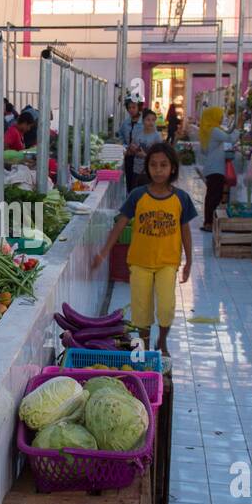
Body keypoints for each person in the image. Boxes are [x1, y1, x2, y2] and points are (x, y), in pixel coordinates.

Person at [91, 143, 196, 355]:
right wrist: (104, 252)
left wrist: (189, 262)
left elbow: (186, 232)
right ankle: (145, 345)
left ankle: (163, 341)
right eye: (154, 165)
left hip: (168, 262)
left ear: (172, 168)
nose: (158, 170)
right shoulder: (138, 195)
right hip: (140, 262)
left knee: (166, 307)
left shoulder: (181, 198)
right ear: (147, 168)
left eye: (163, 165)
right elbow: (120, 224)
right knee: (141, 310)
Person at [197, 104, 233, 233]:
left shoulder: (205, 130)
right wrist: (238, 127)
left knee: (210, 196)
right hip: (216, 168)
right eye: (219, 115)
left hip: (210, 167)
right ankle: (209, 223)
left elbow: (204, 150)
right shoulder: (214, 131)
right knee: (215, 197)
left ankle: (208, 222)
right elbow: (230, 138)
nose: (221, 117)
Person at [129, 108, 162, 187]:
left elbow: (160, 156)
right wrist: (133, 148)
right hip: (136, 169)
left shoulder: (157, 136)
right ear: (143, 121)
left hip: (150, 171)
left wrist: (145, 156)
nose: (151, 122)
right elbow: (132, 145)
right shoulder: (138, 133)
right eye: (148, 120)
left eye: (153, 120)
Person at [118, 99, 142, 189]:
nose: (131, 110)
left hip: (141, 158)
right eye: (129, 108)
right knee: (129, 181)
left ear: (138, 107)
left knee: (139, 182)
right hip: (129, 156)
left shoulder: (145, 122)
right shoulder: (125, 123)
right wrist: (125, 147)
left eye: (133, 107)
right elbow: (120, 137)